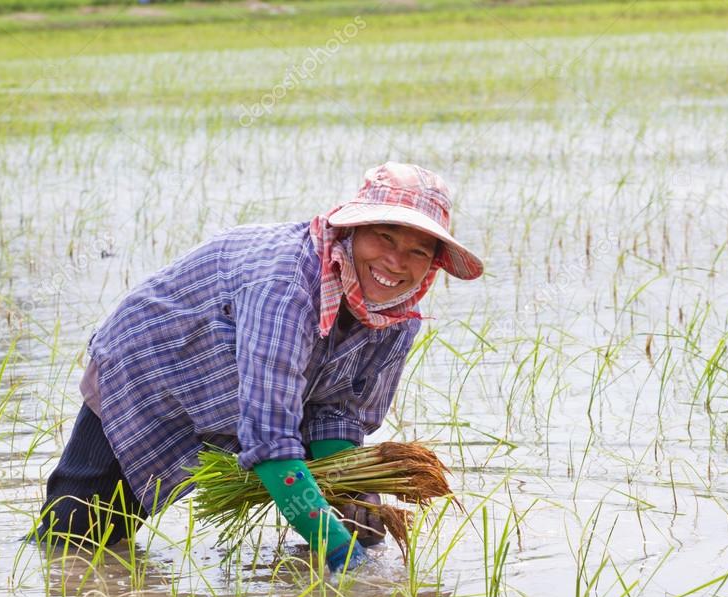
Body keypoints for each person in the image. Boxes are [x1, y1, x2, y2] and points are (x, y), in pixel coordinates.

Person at [33, 162, 483, 571]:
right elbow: (270, 439)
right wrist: (341, 553)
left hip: (246, 397)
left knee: (361, 516)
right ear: (352, 231)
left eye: (417, 252)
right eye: (384, 237)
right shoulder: (284, 287)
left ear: (431, 266)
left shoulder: (397, 317)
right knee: (80, 534)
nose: (395, 263)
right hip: (149, 377)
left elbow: (339, 412)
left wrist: (341, 495)